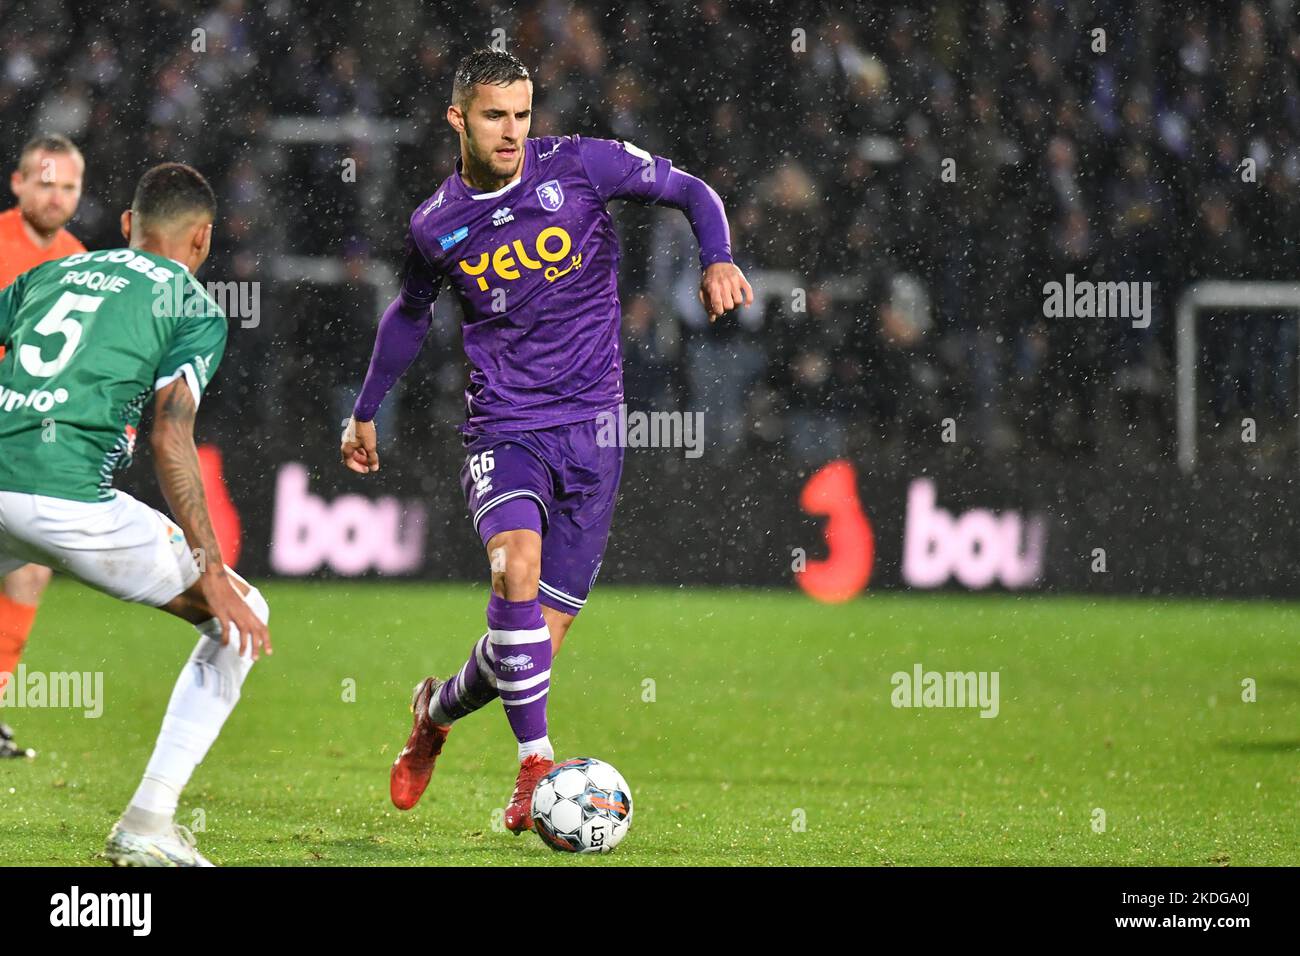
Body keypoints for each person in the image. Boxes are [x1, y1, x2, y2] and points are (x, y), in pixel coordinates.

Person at [340, 48, 751, 832]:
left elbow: (692, 191)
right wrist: (367, 408)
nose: (512, 132)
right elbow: (409, 315)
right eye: (495, 115)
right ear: (458, 118)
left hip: (596, 433)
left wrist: (719, 259)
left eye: (523, 115)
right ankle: (536, 767)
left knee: (526, 646)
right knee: (514, 572)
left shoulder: (585, 167)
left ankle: (434, 713)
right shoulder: (435, 224)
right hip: (506, 429)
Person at [0, 162, 271, 865]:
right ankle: (146, 826)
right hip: (66, 502)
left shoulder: (48, 273)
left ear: (126, 226)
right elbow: (169, 433)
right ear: (203, 240)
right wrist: (212, 569)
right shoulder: (191, 304)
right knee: (245, 619)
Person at [0, 133, 88, 759]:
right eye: (46, 183)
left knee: (28, 572)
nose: (57, 197)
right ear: (19, 183)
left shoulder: (80, 261)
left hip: (29, 442)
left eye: (69, 187)